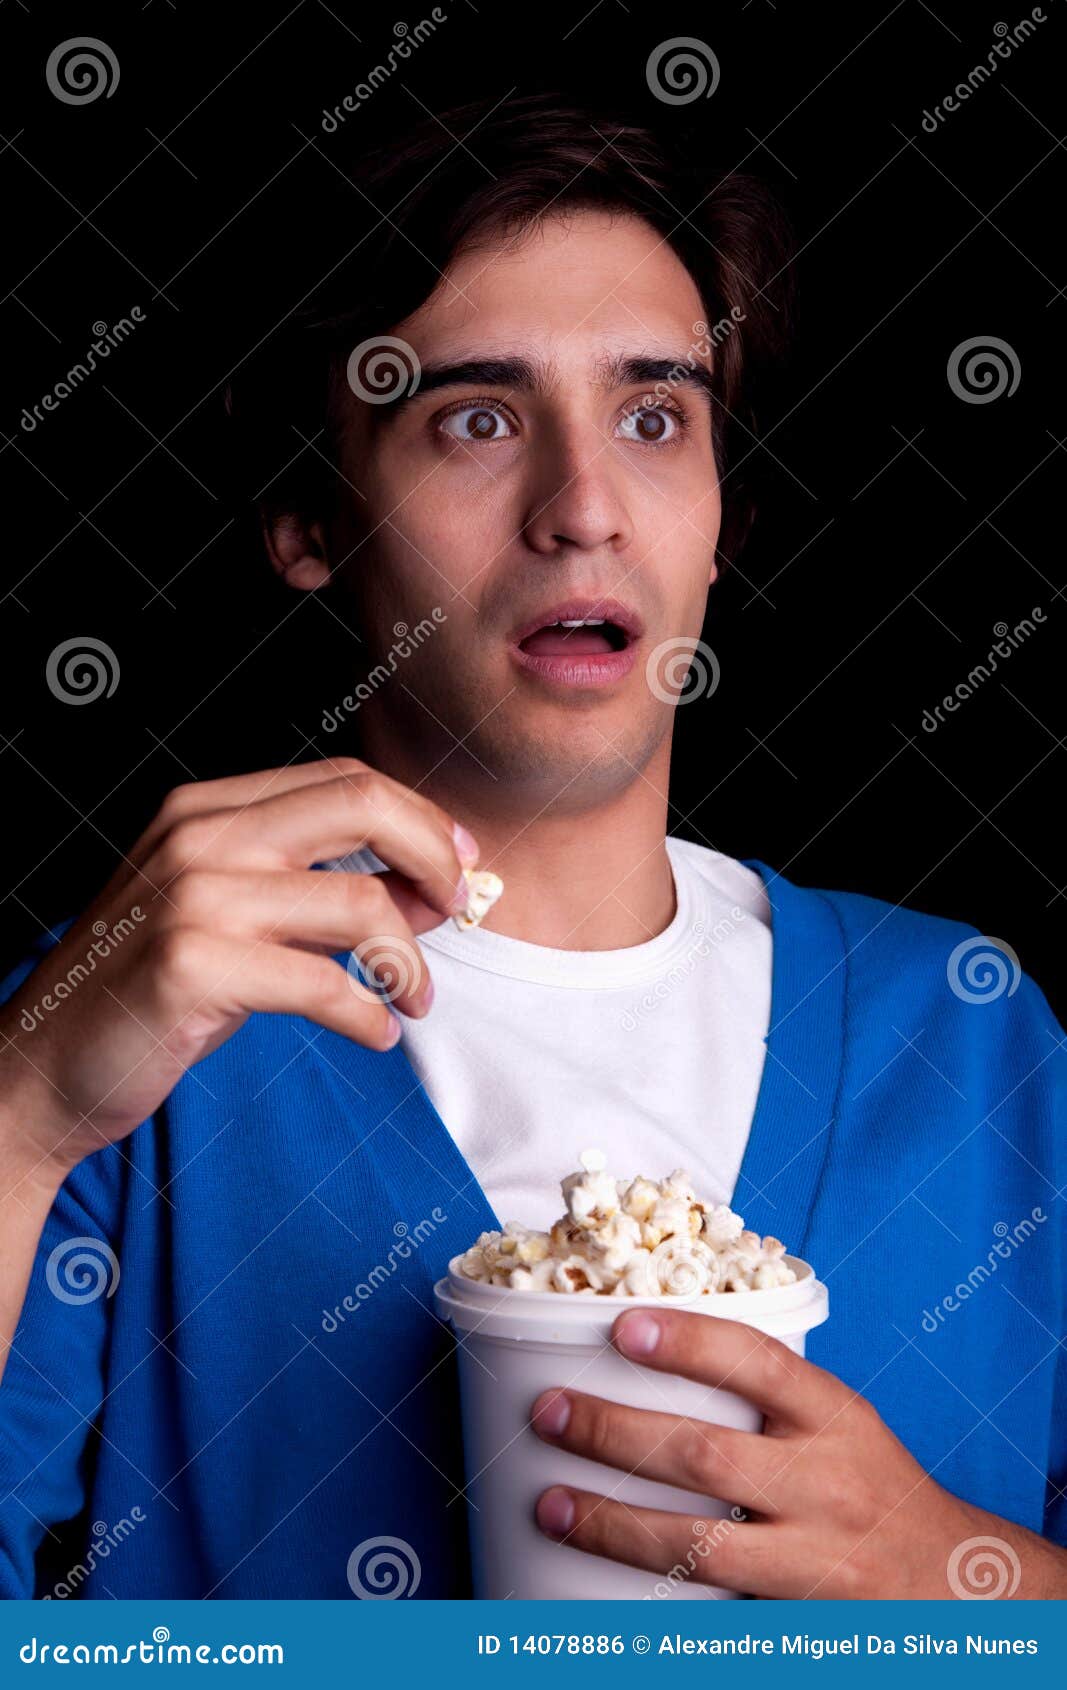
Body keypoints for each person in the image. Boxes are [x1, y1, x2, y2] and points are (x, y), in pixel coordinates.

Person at [1, 94, 1064, 1601]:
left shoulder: (975, 1040)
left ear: (720, 514)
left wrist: (971, 1587)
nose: (583, 508)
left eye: (654, 417)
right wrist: (26, 1111)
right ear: (312, 518)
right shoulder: (139, 1028)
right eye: (477, 418)